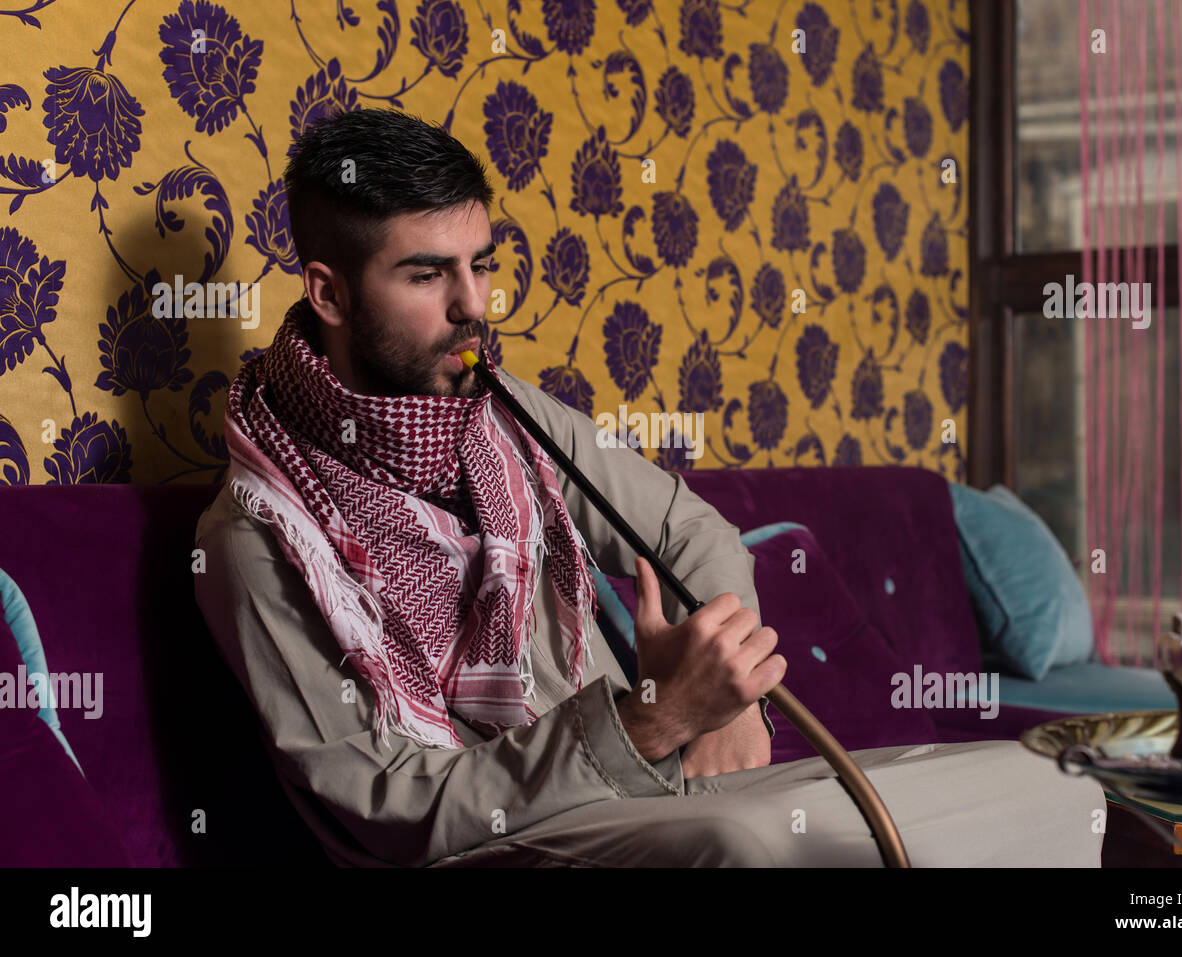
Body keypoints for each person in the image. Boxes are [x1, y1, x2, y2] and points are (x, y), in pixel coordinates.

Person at [194, 108, 1104, 868]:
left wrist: (727, 702)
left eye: (481, 264)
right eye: (428, 274)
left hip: (654, 781)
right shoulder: (257, 532)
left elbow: (693, 533)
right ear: (330, 292)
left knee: (1053, 783)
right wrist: (651, 720)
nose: (474, 305)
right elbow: (384, 804)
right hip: (496, 840)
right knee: (741, 845)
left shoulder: (507, 410)